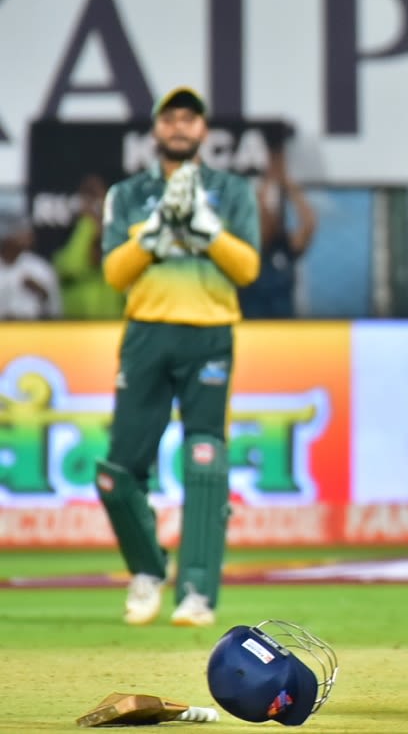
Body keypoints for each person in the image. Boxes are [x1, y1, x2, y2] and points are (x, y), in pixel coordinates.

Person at [97, 86, 260, 628]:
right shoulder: (127, 194)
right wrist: (155, 234)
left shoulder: (232, 192)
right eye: (172, 118)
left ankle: (197, 592)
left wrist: (207, 233)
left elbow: (247, 270)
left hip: (209, 334)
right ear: (156, 129)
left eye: (190, 119)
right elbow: (115, 273)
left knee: (205, 462)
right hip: (146, 331)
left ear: (203, 131)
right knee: (119, 470)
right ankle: (147, 571)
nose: (181, 127)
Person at [238, 133, 317, 319]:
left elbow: (308, 224)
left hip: (283, 333)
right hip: (250, 332)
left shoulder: (283, 247)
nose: (266, 222)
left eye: (269, 218)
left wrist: (287, 184)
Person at [52, 174, 126, 319]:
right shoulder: (68, 231)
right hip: (74, 329)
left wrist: (103, 215)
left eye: (96, 196)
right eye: (86, 195)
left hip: (111, 329)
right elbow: (70, 267)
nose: (92, 202)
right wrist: (87, 223)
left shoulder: (119, 233)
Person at [0, 212, 62, 320]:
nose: (29, 236)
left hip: (32, 332)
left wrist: (43, 294)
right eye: (21, 231)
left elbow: (56, 311)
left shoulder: (40, 268)